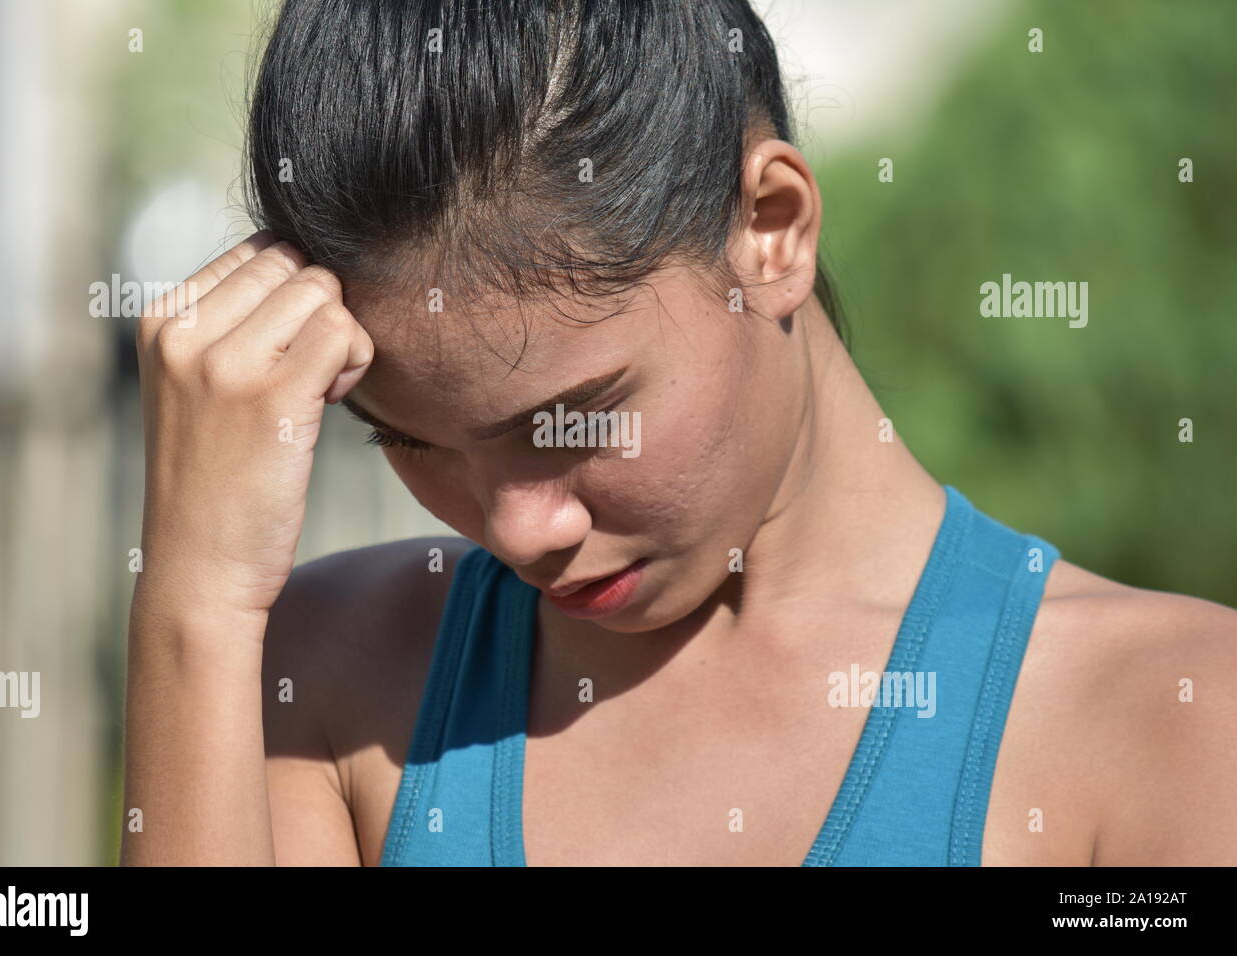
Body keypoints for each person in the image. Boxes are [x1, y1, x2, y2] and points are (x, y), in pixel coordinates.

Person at [121, 0, 1237, 866]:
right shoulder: (329, 685)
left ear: (770, 230)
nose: (521, 526)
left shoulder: (1169, 722)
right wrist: (194, 600)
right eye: (411, 442)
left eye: (572, 419)